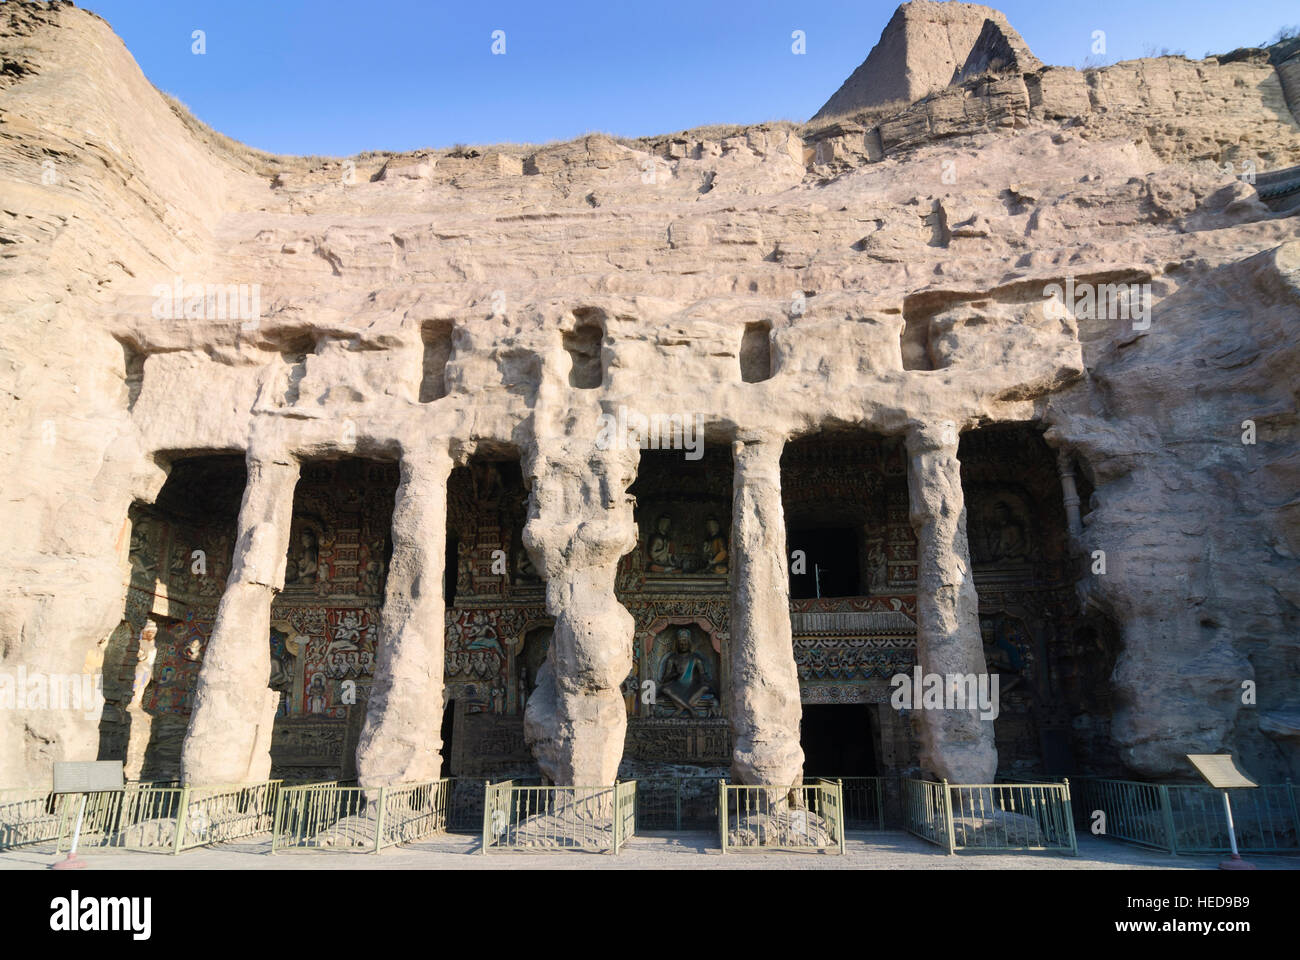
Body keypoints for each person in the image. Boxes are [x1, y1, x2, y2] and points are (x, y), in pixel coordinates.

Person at [658, 628, 715, 717]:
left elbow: (702, 676)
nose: (683, 644)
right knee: (665, 689)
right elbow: (664, 679)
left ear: (689, 643)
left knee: (705, 687)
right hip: (677, 687)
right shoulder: (672, 659)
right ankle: (690, 709)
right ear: (677, 644)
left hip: (691, 686)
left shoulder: (696, 659)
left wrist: (703, 678)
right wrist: (675, 674)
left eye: (685, 641)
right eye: (680, 642)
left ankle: (681, 708)